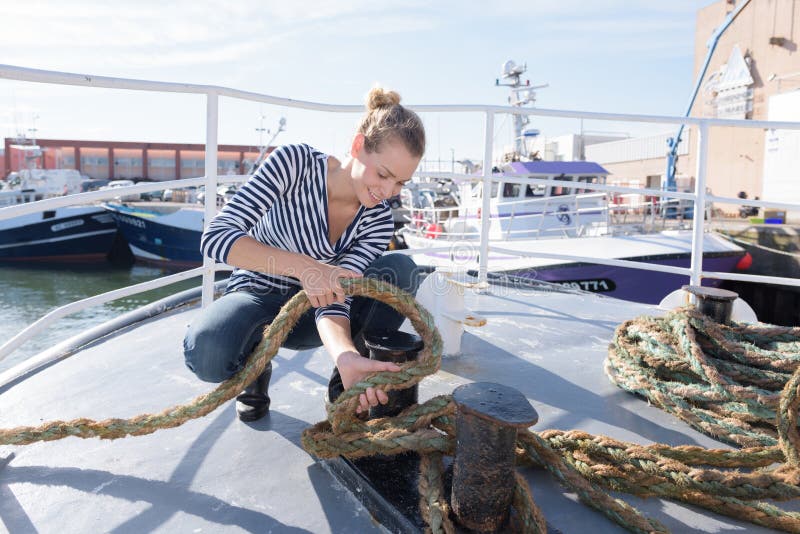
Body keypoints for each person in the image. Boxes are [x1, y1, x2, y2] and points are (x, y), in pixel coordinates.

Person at [183, 87, 425, 422]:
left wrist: (344, 354)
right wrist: (306, 268)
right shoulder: (294, 163)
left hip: (315, 315)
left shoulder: (378, 219)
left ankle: (348, 379)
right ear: (358, 147)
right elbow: (217, 238)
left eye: (400, 183)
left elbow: (336, 295)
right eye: (383, 174)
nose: (387, 192)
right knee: (208, 350)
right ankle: (256, 369)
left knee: (400, 270)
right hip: (257, 295)